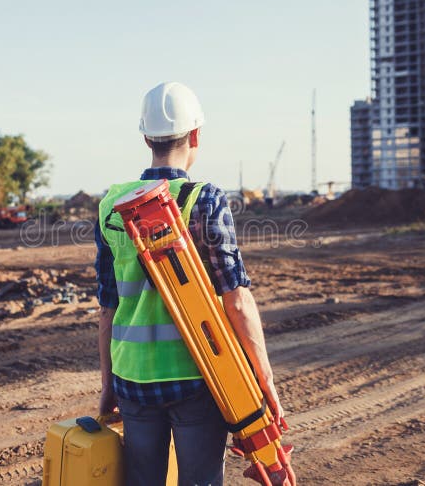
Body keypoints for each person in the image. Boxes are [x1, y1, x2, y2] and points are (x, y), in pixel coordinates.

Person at [95, 82, 284, 486]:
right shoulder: (205, 199)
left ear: (146, 137)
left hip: (132, 378)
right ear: (195, 135)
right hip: (198, 376)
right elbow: (236, 299)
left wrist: (108, 383)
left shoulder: (111, 206)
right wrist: (263, 377)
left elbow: (108, 308)